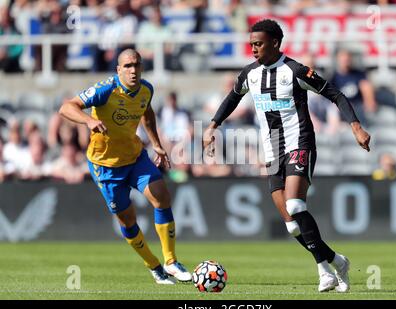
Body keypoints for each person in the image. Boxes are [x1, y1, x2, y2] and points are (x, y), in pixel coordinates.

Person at [203, 19, 371, 293]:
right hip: (272, 149)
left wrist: (356, 127)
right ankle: (337, 262)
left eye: (258, 44)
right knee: (292, 226)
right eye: (251, 44)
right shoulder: (249, 74)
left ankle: (323, 272)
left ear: (275, 43)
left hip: (299, 142)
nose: (254, 48)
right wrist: (212, 126)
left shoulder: (295, 71)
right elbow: (232, 98)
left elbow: (335, 94)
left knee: (295, 206)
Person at [59, 48, 191, 285]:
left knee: (161, 196)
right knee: (127, 220)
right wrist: (89, 120)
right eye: (127, 66)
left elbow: (147, 114)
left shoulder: (146, 89)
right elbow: (67, 107)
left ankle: (171, 262)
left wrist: (157, 145)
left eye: (137, 65)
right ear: (118, 69)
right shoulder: (105, 89)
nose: (133, 70)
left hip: (135, 156)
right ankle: (154, 265)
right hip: (105, 166)